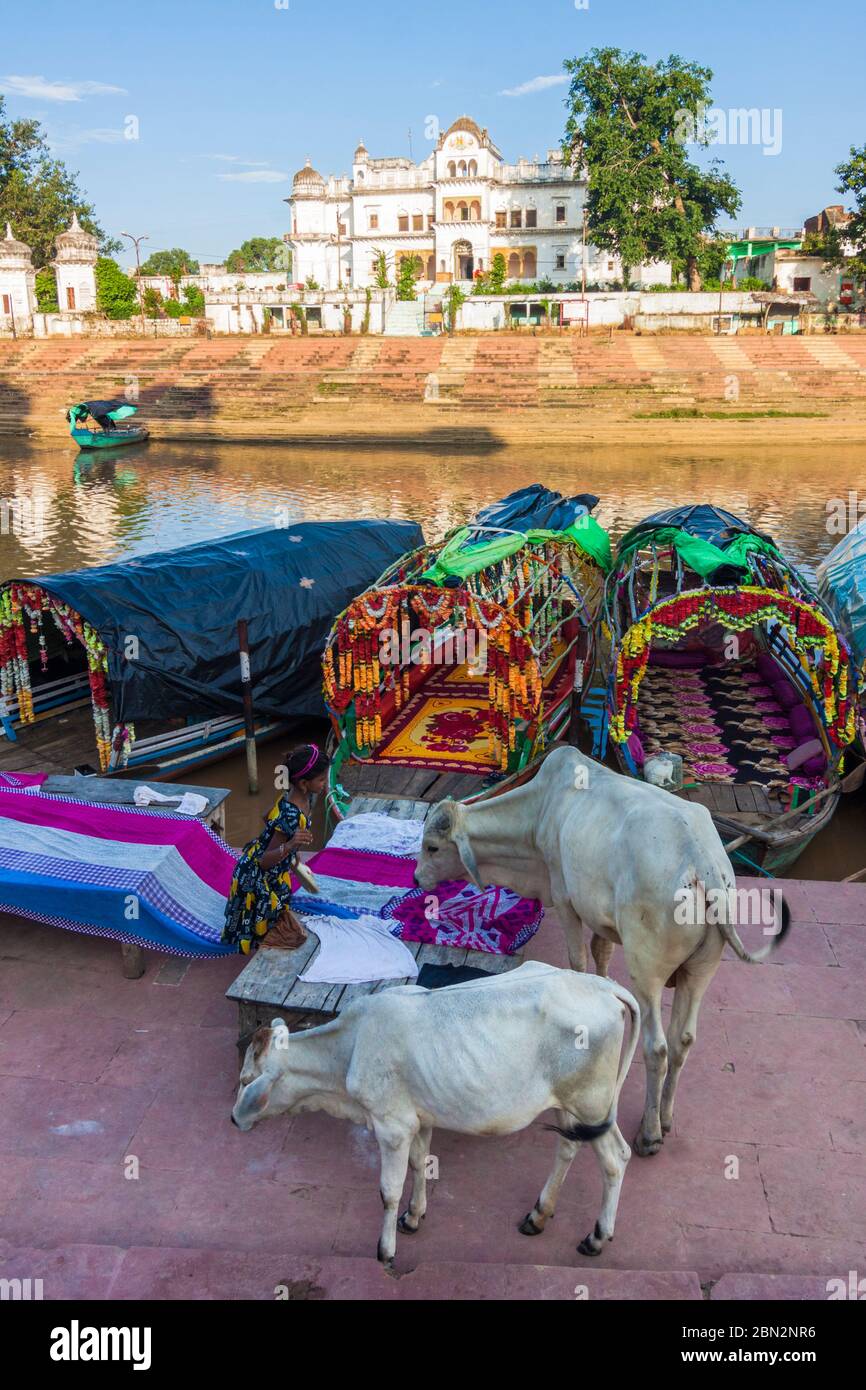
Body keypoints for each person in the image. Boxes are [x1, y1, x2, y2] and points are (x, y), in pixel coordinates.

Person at [222, 743, 330, 955]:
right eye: (322, 780)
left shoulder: (296, 797)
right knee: (269, 915)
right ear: (304, 783)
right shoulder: (291, 813)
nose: (325, 783)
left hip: (270, 863)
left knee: (276, 907)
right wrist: (289, 845)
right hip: (257, 872)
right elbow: (263, 861)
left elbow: (266, 816)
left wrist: (293, 851)